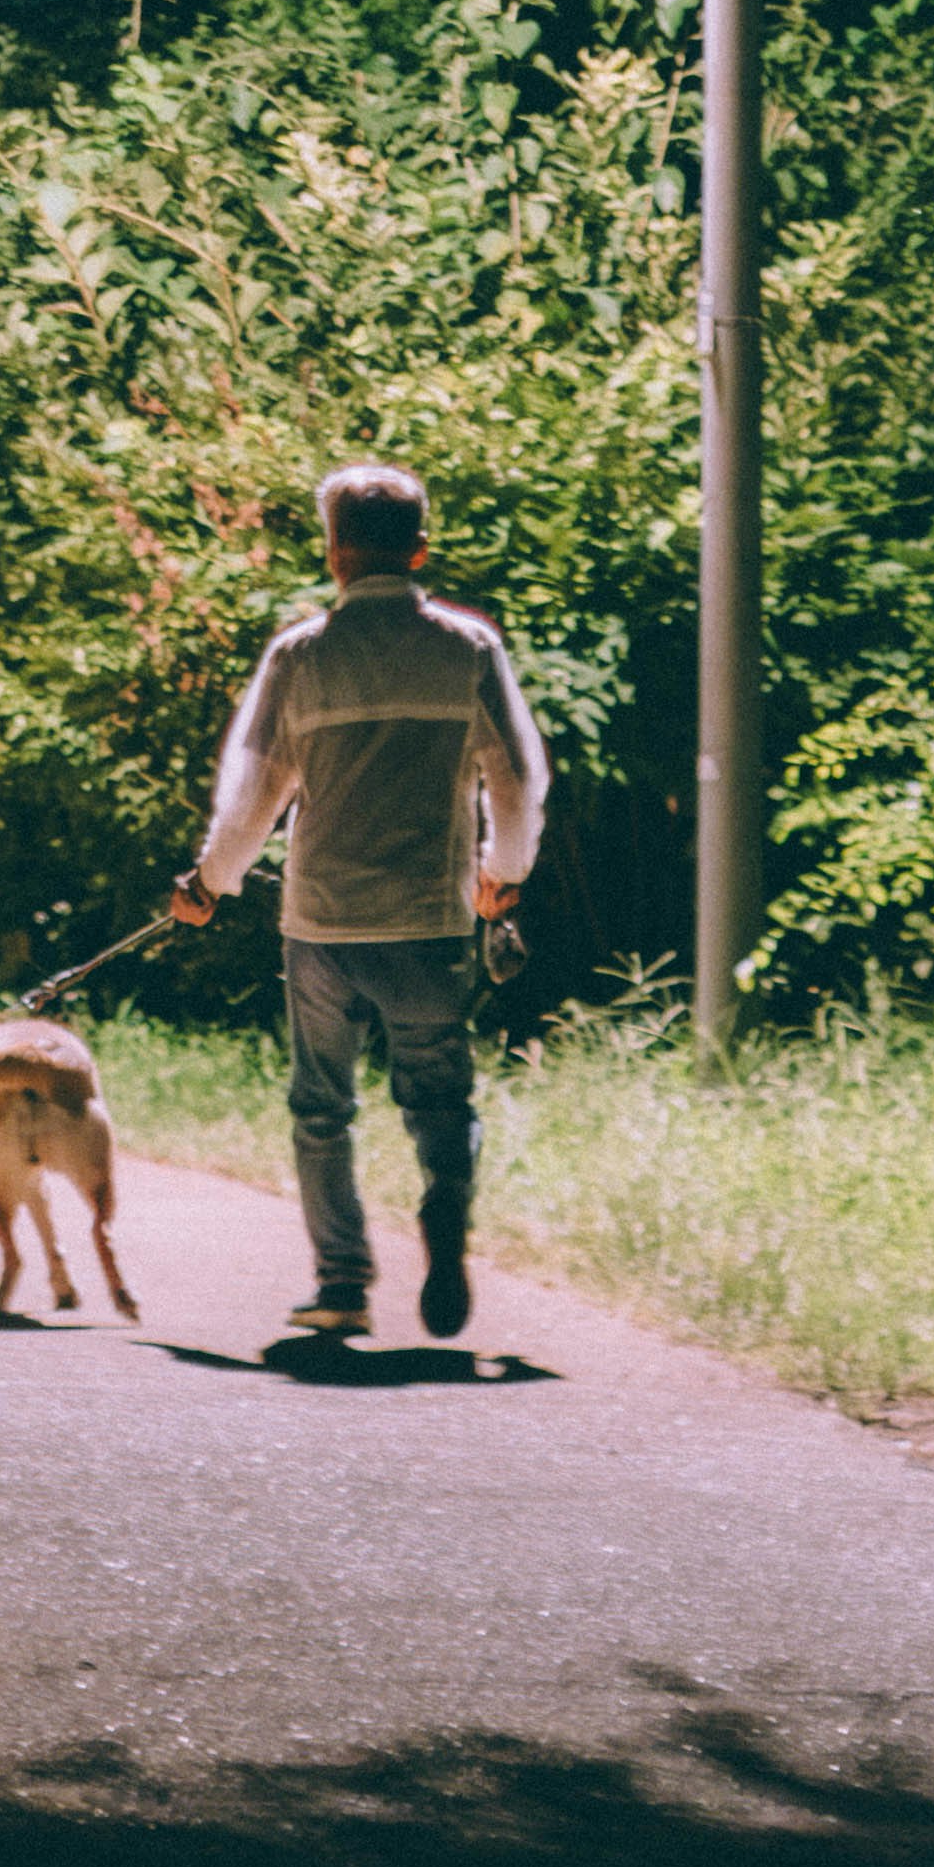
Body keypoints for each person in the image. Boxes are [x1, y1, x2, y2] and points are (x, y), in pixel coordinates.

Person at [169, 459, 547, 1349]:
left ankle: (341, 1285)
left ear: (334, 552)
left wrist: (209, 885)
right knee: (440, 1100)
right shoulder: (467, 649)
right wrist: (505, 867)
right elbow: (519, 777)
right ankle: (444, 1229)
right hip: (428, 921)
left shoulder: (302, 654)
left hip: (324, 926)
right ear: (420, 549)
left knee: (320, 1107)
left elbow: (252, 792)